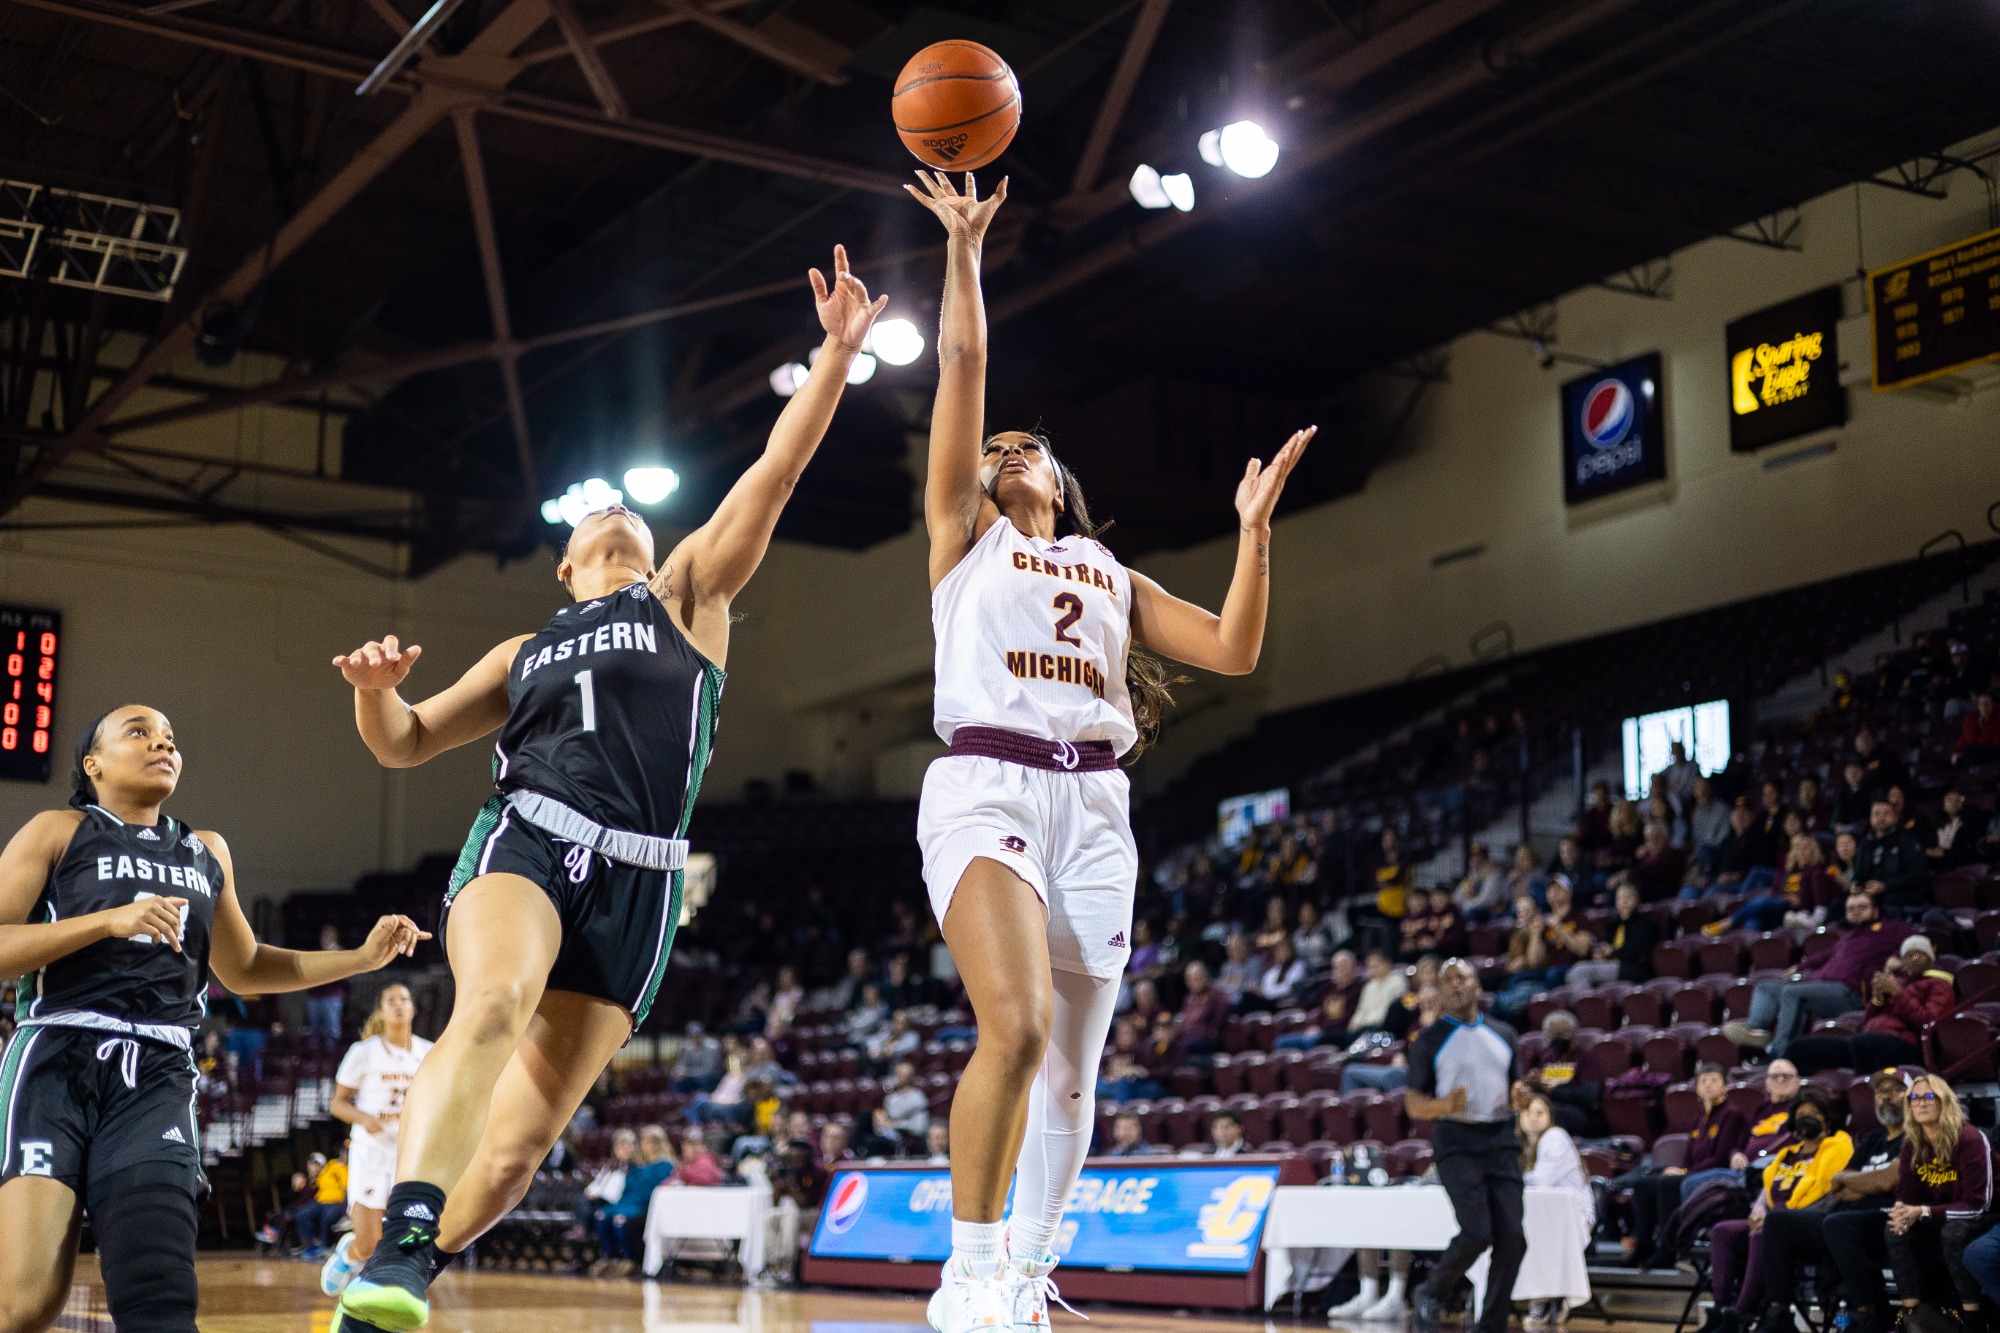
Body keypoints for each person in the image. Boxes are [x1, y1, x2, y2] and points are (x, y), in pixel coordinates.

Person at [331, 246, 890, 1332]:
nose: (617, 522)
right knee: (489, 1001)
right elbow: (400, 746)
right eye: (595, 525)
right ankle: (399, 1235)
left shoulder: (687, 594)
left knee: (515, 1156)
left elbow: (772, 473)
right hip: (529, 841)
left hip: (642, 882)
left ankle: (392, 1270)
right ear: (566, 563)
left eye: (626, 518)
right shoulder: (518, 651)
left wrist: (832, 358)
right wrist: (372, 691)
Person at [903, 166, 1316, 1333]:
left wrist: (1250, 533)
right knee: (1018, 1027)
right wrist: (964, 251)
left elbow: (1233, 648)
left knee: (1076, 1072)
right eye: (998, 447)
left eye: (1030, 444)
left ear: (1060, 479)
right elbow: (964, 369)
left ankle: (1029, 1272)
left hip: (1096, 807)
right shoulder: (960, 543)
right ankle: (969, 1270)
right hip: (985, 780)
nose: (1010, 448)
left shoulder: (1107, 572)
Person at [0, 705, 425, 1333]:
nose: (162, 743)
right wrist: (105, 922)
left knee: (160, 1296)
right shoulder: (58, 831)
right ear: (93, 764)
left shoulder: (205, 851)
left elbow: (246, 967)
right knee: (26, 1303)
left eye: (171, 735)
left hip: (157, 1075)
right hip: (54, 1060)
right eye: (138, 732)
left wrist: (361, 958)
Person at [1406, 960, 1525, 1333]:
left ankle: (1491, 1325)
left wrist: (1519, 1097)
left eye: (1464, 978)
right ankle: (1432, 1292)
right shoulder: (1428, 1040)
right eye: (1449, 980)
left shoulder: (1504, 1033)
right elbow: (1413, 1103)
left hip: (1501, 1142)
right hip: (1456, 1142)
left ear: (1477, 986)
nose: (1457, 985)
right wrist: (1443, 1106)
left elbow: (1514, 1089)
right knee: (1477, 1232)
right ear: (1440, 992)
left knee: (1513, 1240)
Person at [1830, 1076, 1994, 1333]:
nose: (1921, 1103)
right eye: (1915, 1098)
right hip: (1939, 1214)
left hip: (1979, 1216)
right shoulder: (1912, 1144)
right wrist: (1901, 1213)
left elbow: (1977, 1205)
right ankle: (1914, 1317)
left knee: (1953, 1232)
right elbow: (1906, 1195)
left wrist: (1924, 1211)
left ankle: (1973, 1317)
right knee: (1895, 1229)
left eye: (1929, 1097)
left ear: (1945, 1101)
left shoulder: (1970, 1139)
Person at [1763, 1070, 1910, 1333]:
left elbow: (1890, 1181)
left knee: (1839, 1224)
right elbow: (1839, 1187)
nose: (1886, 1098)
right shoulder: (1870, 1141)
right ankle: (1779, 1315)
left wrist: (1864, 1182)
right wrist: (1871, 1183)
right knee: (1777, 1221)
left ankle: (1867, 1314)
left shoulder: (1912, 1139)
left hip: (1888, 1218)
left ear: (1911, 1097)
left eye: (1895, 1091)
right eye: (1880, 1092)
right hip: (1844, 1218)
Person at [1701, 1087, 1854, 1333]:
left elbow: (1830, 1195)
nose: (1807, 1119)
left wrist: (1774, 1218)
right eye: (1802, 1114)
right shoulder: (1786, 1154)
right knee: (1723, 1231)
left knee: (1767, 1229)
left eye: (1814, 1114)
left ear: (1827, 1118)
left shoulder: (1838, 1146)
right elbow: (1767, 1189)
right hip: (1773, 1218)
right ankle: (1721, 1311)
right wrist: (1759, 1209)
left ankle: (1742, 1314)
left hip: (1804, 1224)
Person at [320, 983, 436, 1296]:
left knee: (409, 1235)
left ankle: (388, 1289)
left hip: (410, 1153)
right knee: (369, 1243)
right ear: (381, 1011)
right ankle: (348, 1254)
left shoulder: (429, 1052)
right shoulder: (364, 1052)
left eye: (405, 1000)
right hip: (371, 1152)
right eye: (391, 1000)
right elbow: (337, 1103)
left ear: (413, 1008)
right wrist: (365, 1118)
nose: (399, 1005)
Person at [1722, 891, 1910, 1056]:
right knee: (1766, 986)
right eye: (1851, 909)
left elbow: (1918, 940)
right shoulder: (1848, 936)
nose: (1856, 912)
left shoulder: (1890, 929)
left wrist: (1898, 956)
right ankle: (1758, 1030)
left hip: (1849, 993)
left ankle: (1779, 1054)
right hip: (1821, 986)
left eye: (1862, 907)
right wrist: (1800, 967)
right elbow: (1824, 955)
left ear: (1875, 910)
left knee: (1791, 992)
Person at [1626, 1063, 1747, 1270]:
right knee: (1643, 1184)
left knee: (1668, 1183)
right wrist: (1683, 1169)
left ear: (1725, 1087)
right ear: (1697, 1088)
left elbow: (1720, 1158)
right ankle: (1644, 1246)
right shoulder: (1699, 1117)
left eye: (1714, 1080)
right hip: (1693, 1173)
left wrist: (1685, 1172)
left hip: (1717, 1177)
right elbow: (1688, 1156)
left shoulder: (1732, 1114)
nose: (1708, 1085)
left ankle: (1670, 1250)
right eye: (1703, 1081)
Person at [1783, 935, 1956, 1074]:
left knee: (1864, 1043)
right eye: (1908, 956)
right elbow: (1867, 1021)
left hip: (1907, 1046)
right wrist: (1877, 999)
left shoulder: (1940, 985)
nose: (1913, 959)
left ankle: (1862, 1096)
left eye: (1919, 954)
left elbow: (1928, 1020)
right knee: (1800, 1047)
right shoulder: (1899, 981)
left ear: (1930, 958)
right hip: (1868, 1043)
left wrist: (1897, 993)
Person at [1516, 1090, 1594, 1330]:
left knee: (1535, 1234)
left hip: (1575, 1218)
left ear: (1551, 1117)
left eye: (1540, 1113)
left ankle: (1543, 1296)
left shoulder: (1556, 1137)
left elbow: (1542, 1180)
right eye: (1528, 1112)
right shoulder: (1517, 1144)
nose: (1534, 1118)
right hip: (1538, 1216)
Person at [1704, 834, 1840, 935]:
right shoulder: (1785, 873)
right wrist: (1786, 897)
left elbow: (1818, 897)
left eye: (1807, 848)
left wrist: (1797, 899)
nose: (1803, 852)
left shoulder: (1817, 871)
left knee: (1760, 902)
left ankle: (1729, 922)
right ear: (1794, 852)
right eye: (1799, 848)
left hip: (1797, 912)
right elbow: (1775, 893)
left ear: (1814, 851)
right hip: (1778, 907)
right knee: (1753, 921)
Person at [591, 1124, 675, 1277]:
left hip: (645, 1206)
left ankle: (631, 1259)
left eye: (651, 1142)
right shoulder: (639, 1166)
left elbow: (652, 1192)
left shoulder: (665, 1165)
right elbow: (627, 1188)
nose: (647, 1145)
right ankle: (611, 1257)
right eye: (644, 1141)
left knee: (621, 1220)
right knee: (601, 1216)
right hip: (628, 1203)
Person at [1567, 880, 1657, 989]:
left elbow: (1637, 950)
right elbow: (1607, 945)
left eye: (1627, 897)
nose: (1623, 901)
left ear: (1637, 900)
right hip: (1613, 965)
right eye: (1619, 898)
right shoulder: (1613, 924)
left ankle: (1589, 1005)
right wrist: (1600, 954)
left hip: (1631, 968)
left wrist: (1612, 951)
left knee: (1579, 972)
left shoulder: (1644, 923)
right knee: (1573, 973)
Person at [1852, 799, 1930, 914]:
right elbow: (1858, 874)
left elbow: (1919, 875)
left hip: (1900, 894)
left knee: (1886, 905)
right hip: (1869, 894)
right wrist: (1855, 884)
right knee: (1839, 905)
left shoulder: (1907, 839)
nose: (1881, 817)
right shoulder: (1865, 843)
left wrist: (1885, 886)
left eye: (1886, 813)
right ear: (1870, 818)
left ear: (1895, 817)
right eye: (1876, 814)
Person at [297, 1146, 352, 1261]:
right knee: (301, 1214)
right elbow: (318, 1179)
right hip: (320, 1200)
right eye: (343, 1152)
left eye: (347, 1153)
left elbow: (348, 1186)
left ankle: (324, 1248)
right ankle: (312, 1246)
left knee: (327, 1218)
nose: (344, 1155)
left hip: (337, 1202)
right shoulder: (332, 1164)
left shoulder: (350, 1168)